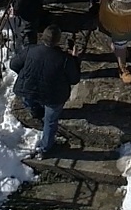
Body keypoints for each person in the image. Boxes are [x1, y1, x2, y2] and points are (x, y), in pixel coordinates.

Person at [11, 26, 81, 156]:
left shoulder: (30, 50)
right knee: (50, 121)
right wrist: (75, 59)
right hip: (53, 96)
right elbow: (74, 79)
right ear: (58, 41)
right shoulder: (65, 59)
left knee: (29, 100)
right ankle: (45, 148)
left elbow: (13, 64)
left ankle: (35, 111)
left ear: (42, 37)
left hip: (29, 89)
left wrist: (26, 75)